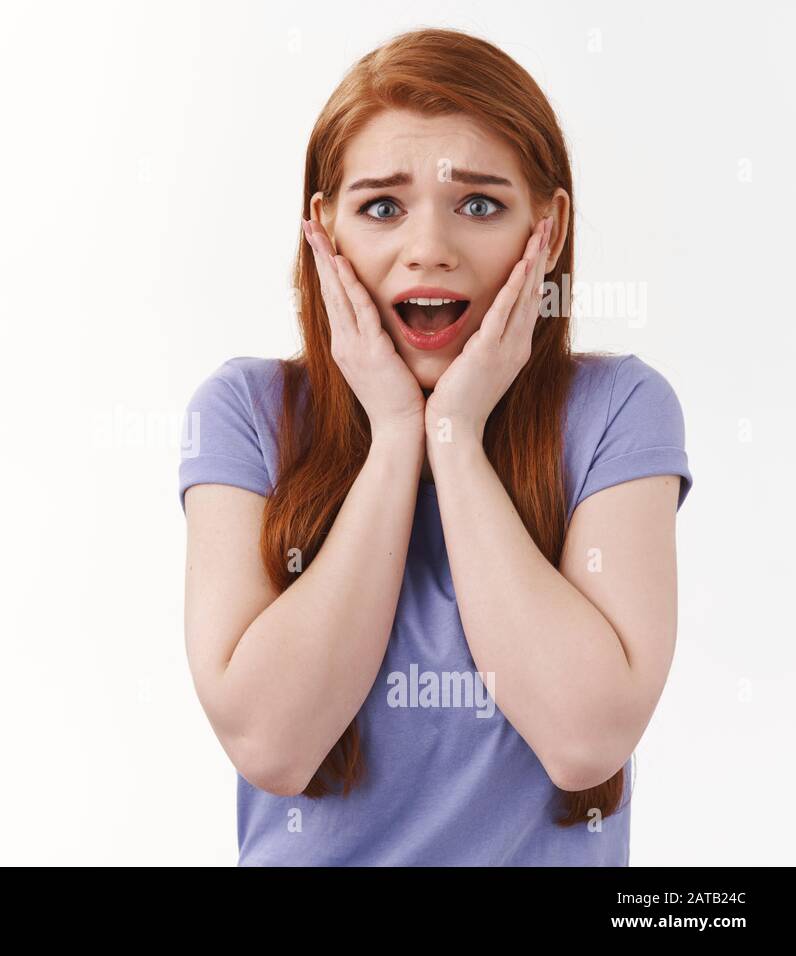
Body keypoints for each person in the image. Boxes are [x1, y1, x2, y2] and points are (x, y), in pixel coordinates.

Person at [177, 27, 693, 866]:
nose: (430, 250)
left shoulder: (621, 410)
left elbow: (584, 740)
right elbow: (273, 744)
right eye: (382, 207)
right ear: (325, 228)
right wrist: (393, 439)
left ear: (549, 228)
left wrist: (454, 438)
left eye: (480, 205)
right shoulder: (244, 414)